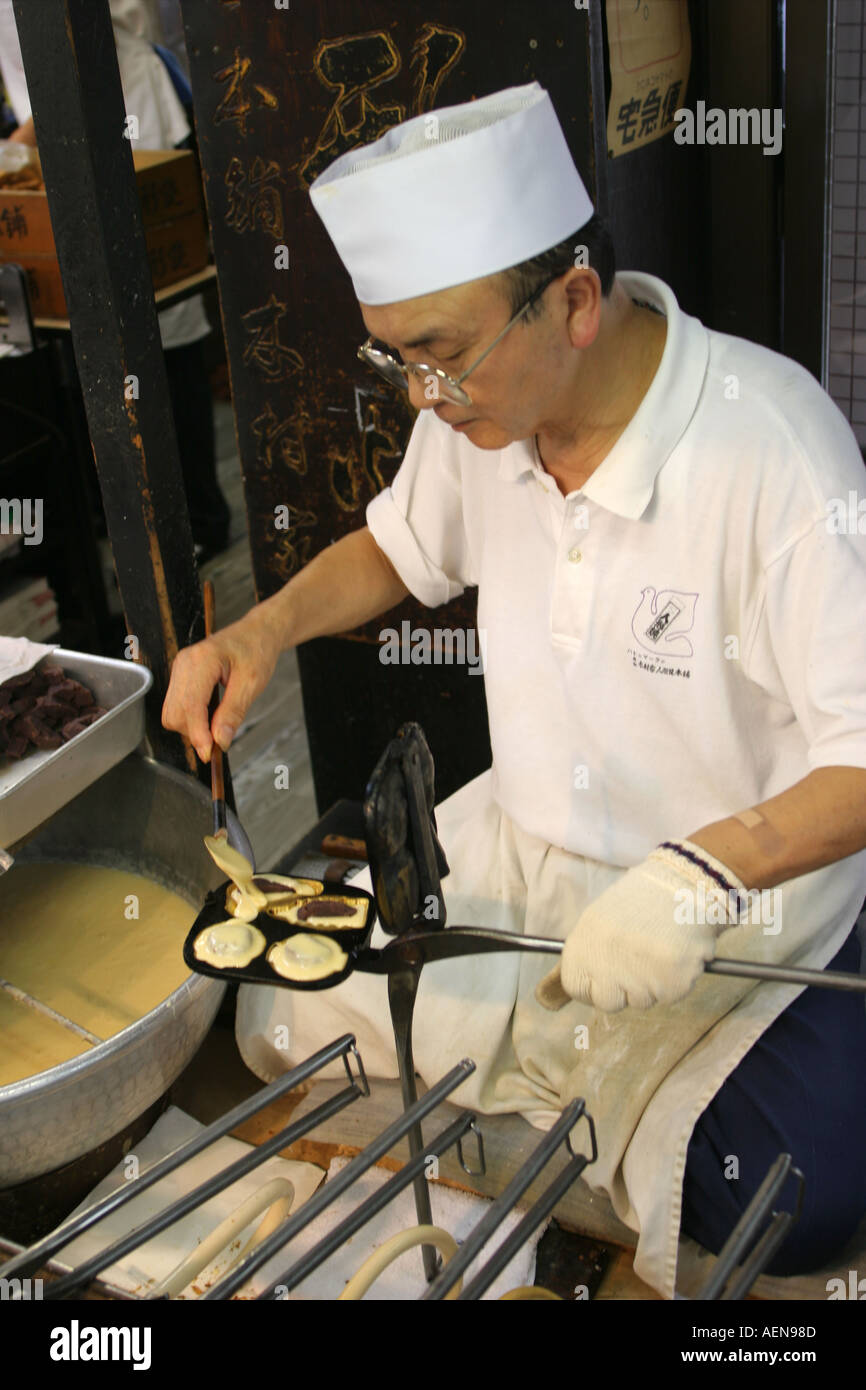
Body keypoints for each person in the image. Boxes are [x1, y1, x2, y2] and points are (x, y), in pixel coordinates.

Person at [162, 83, 866, 1298]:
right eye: (398, 358)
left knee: (783, 1190)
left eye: (439, 353)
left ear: (575, 303)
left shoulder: (775, 449)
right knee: (277, 1019)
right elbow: (400, 546)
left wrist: (699, 873)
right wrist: (265, 629)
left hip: (718, 886)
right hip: (529, 859)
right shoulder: (482, 414)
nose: (422, 394)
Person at [0, 0, 230, 559]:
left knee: (163, 322)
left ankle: (198, 515)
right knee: (88, 332)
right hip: (46, 139)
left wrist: (24, 139)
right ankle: (123, 515)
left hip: (127, 118)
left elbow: (98, 39)